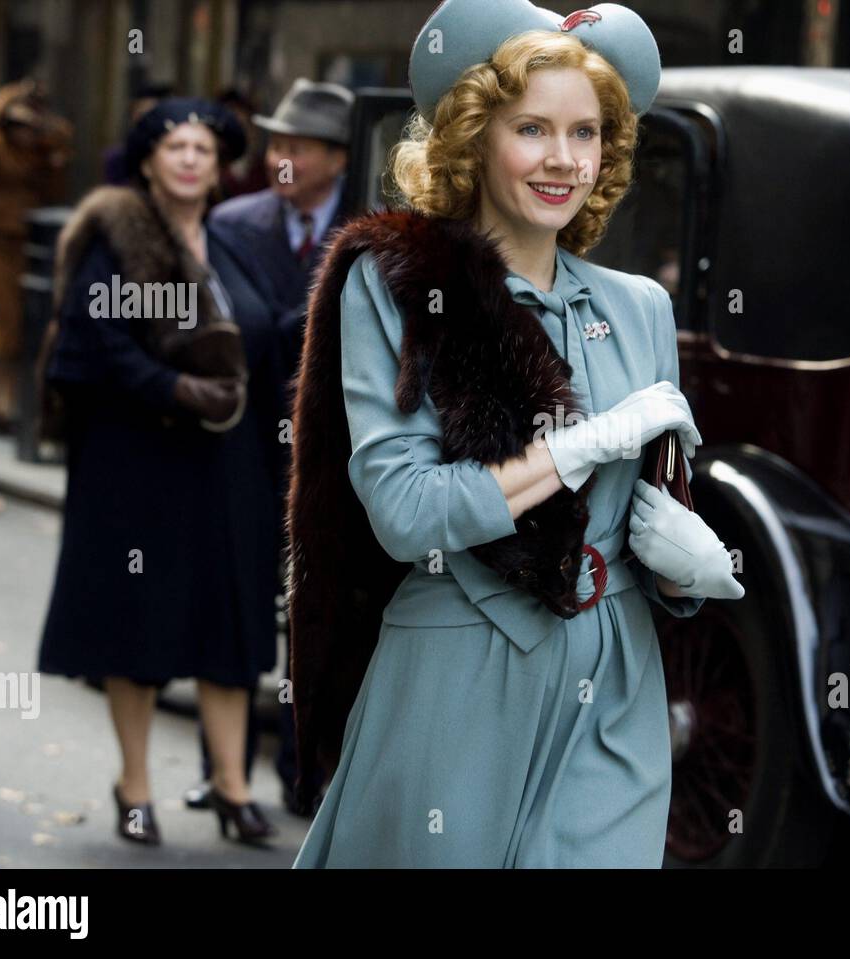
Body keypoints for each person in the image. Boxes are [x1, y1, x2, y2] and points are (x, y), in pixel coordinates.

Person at [286, 0, 744, 868]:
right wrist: (584, 443)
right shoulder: (395, 289)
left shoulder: (640, 308)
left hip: (614, 682)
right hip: (458, 666)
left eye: (586, 132)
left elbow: (651, 510)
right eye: (531, 128)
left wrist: (689, 565)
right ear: (471, 137)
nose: (563, 160)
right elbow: (406, 513)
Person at [35, 98, 289, 848]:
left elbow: (263, 343)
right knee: (137, 622)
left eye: (203, 149)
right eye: (174, 145)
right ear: (147, 161)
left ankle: (234, 789)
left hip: (229, 466)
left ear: (218, 168)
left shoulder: (233, 242)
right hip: (136, 463)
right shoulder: (116, 238)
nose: (188, 158)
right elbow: (96, 343)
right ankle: (135, 785)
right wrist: (175, 389)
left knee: (231, 622)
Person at [184, 78, 354, 818]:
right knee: (232, 598)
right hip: (245, 447)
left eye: (299, 146)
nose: (281, 158)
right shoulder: (231, 222)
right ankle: (220, 770)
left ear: (338, 157)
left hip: (336, 451)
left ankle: (305, 770)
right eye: (275, 143)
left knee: (321, 613)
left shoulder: (371, 225)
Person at [0, 78, 73, 434]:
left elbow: (63, 141)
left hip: (33, 245)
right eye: (17, 125)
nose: (23, 132)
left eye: (29, 126)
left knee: (26, 326)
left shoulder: (43, 157)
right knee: (2, 322)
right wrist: (8, 96)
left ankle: (10, 403)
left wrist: (48, 132)